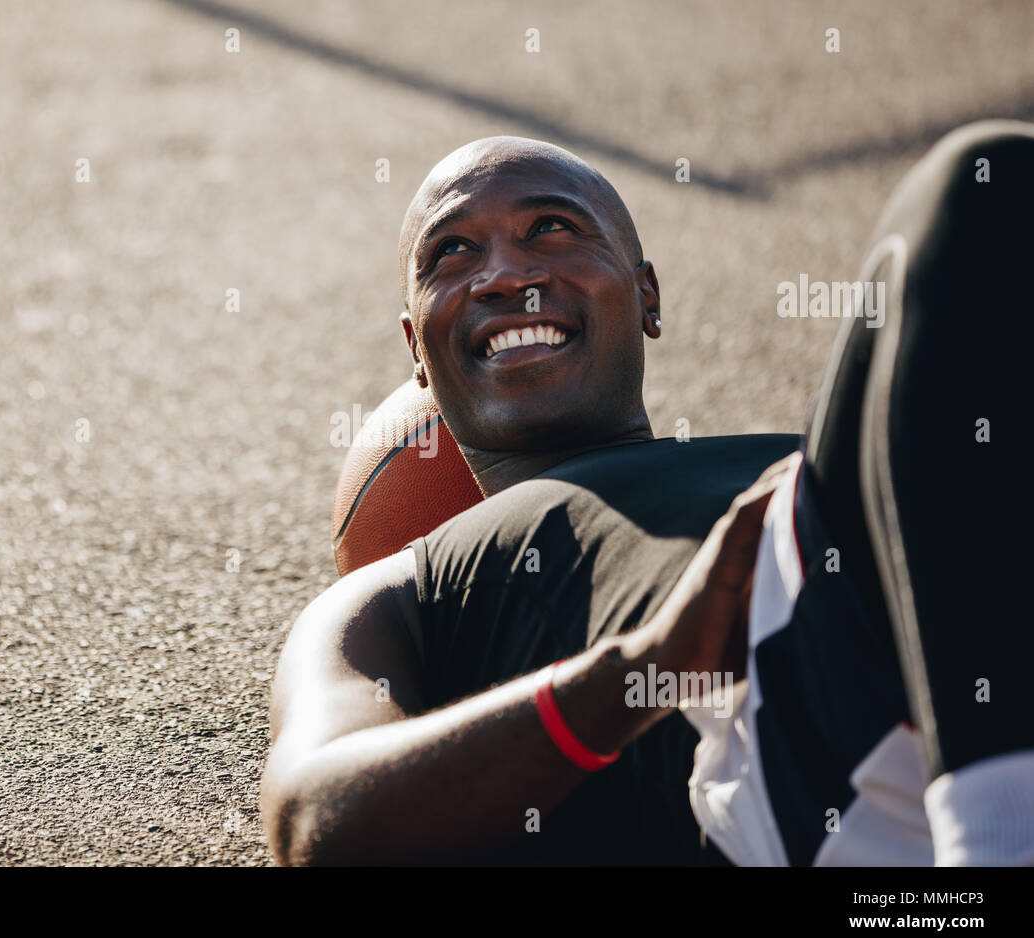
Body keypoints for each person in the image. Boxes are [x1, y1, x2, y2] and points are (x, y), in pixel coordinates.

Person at [260, 124, 1031, 866]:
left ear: (648, 297)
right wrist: (646, 667)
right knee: (988, 182)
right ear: (415, 353)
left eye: (552, 228)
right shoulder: (399, 593)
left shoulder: (801, 448)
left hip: (949, 636)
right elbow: (312, 814)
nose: (504, 275)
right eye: (452, 251)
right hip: (798, 743)